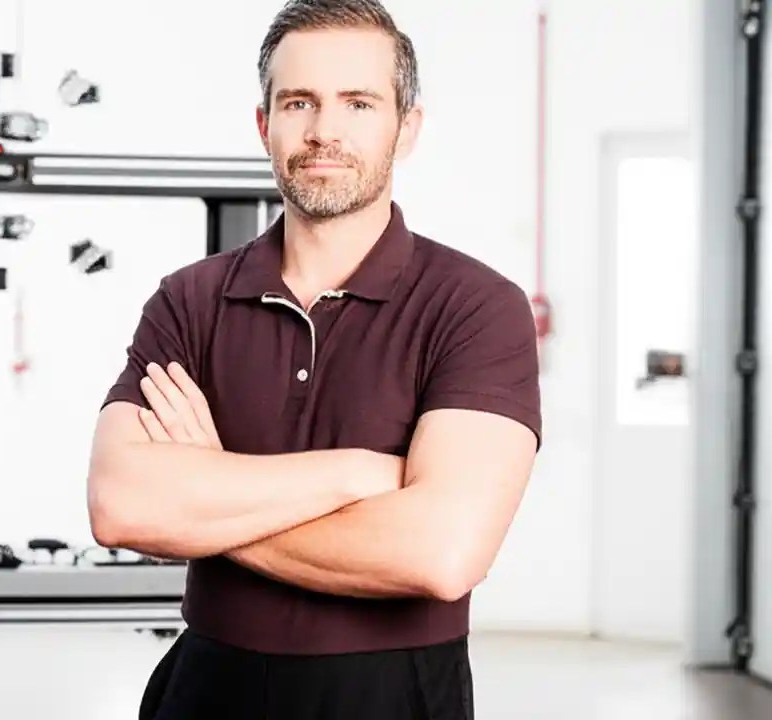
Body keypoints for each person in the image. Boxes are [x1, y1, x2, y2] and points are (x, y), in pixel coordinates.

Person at [85, 0, 541, 717]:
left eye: (358, 103)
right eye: (299, 102)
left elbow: (443, 553)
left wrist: (210, 496)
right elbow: (122, 507)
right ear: (264, 124)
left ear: (406, 127)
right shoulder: (190, 300)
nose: (325, 130)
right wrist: (354, 475)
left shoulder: (476, 306)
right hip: (208, 685)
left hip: (393, 692)